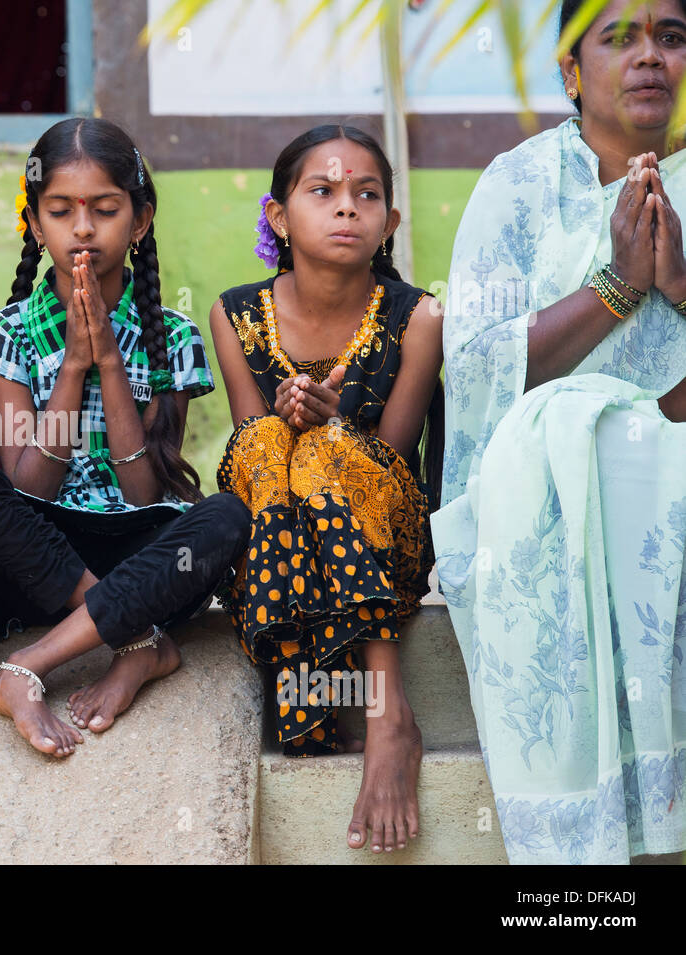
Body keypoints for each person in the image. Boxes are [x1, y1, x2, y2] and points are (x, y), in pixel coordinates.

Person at [433, 0, 686, 864]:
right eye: (620, 38)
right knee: (586, 429)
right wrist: (617, 286)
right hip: (541, 489)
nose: (650, 56)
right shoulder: (519, 183)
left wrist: (680, 287)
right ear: (571, 74)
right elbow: (473, 369)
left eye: (672, 37)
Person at [0, 117, 251, 758]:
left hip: (136, 545)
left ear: (139, 220)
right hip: (39, 555)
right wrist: (73, 366)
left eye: (105, 210)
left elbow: (142, 491)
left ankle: (31, 664)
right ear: (35, 222)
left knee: (225, 517)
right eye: (60, 212)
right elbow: (29, 487)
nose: (82, 229)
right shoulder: (7, 334)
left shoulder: (175, 336)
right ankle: (139, 641)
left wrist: (110, 362)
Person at [209, 125, 444, 854]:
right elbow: (257, 463)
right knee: (272, 443)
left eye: (366, 195)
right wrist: (296, 426)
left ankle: (385, 712)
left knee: (322, 451)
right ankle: (315, 684)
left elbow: (395, 464)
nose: (347, 208)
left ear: (389, 223)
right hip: (283, 541)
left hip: (387, 535)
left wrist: (333, 426)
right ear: (278, 216)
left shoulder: (420, 316)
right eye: (324, 191)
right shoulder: (236, 312)